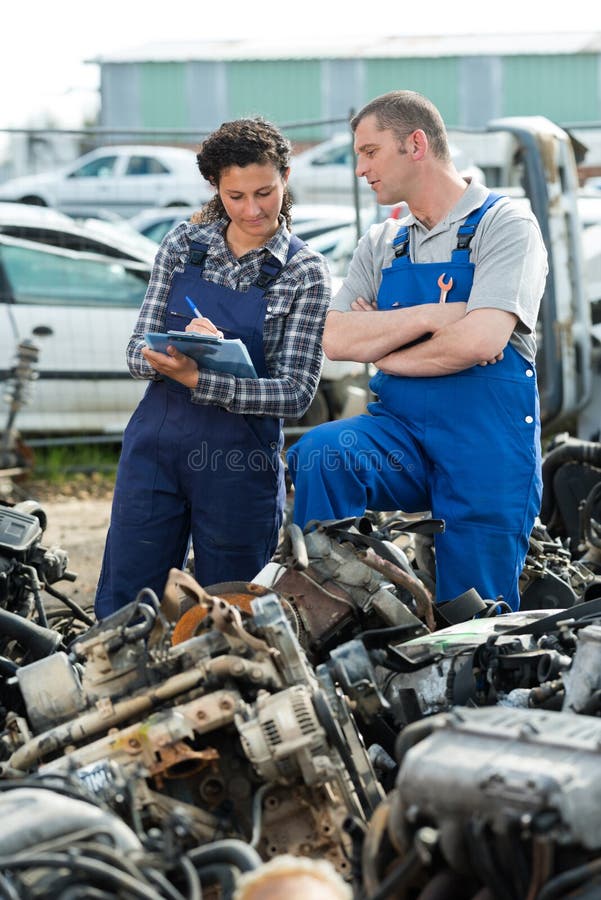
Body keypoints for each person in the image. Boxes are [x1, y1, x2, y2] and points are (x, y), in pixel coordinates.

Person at [287, 90, 548, 613]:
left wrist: (383, 347)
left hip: (485, 447)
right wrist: (434, 317)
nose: (360, 168)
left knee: (474, 617)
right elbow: (336, 340)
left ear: (416, 144)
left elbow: (481, 340)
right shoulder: (382, 242)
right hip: (399, 433)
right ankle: (333, 611)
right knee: (323, 453)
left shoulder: (505, 226)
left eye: (370, 151)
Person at [95, 117, 331, 619]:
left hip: (238, 463)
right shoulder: (184, 245)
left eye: (265, 192)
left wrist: (201, 379)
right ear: (215, 188)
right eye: (236, 196)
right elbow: (137, 350)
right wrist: (169, 356)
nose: (253, 209)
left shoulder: (304, 271)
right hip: (156, 448)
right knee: (127, 599)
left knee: (232, 609)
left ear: (286, 177)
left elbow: (295, 393)